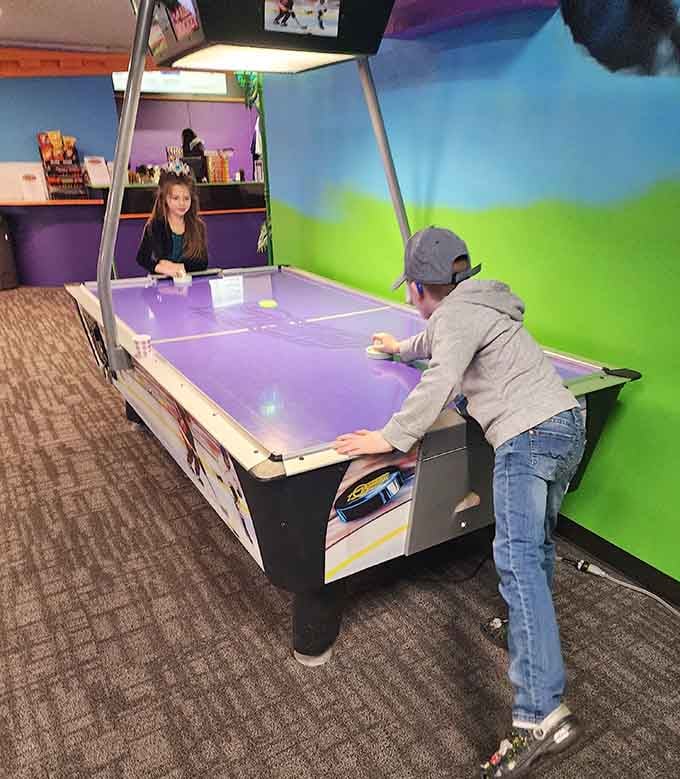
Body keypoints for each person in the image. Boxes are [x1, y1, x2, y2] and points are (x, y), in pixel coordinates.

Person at [334, 227, 586, 778]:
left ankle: (540, 714)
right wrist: (399, 348)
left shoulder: (452, 317)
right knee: (537, 548)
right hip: (566, 426)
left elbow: (441, 378)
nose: (407, 300)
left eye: (410, 290)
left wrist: (390, 436)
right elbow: (438, 344)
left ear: (424, 287)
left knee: (517, 563)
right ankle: (524, 635)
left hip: (526, 436)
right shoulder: (479, 303)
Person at [135, 164, 209, 277]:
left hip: (189, 286)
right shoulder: (155, 226)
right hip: (160, 288)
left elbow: (203, 262)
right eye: (176, 198)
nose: (182, 203)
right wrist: (161, 268)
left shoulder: (198, 226)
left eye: (186, 198)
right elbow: (142, 258)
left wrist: (179, 267)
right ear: (165, 199)